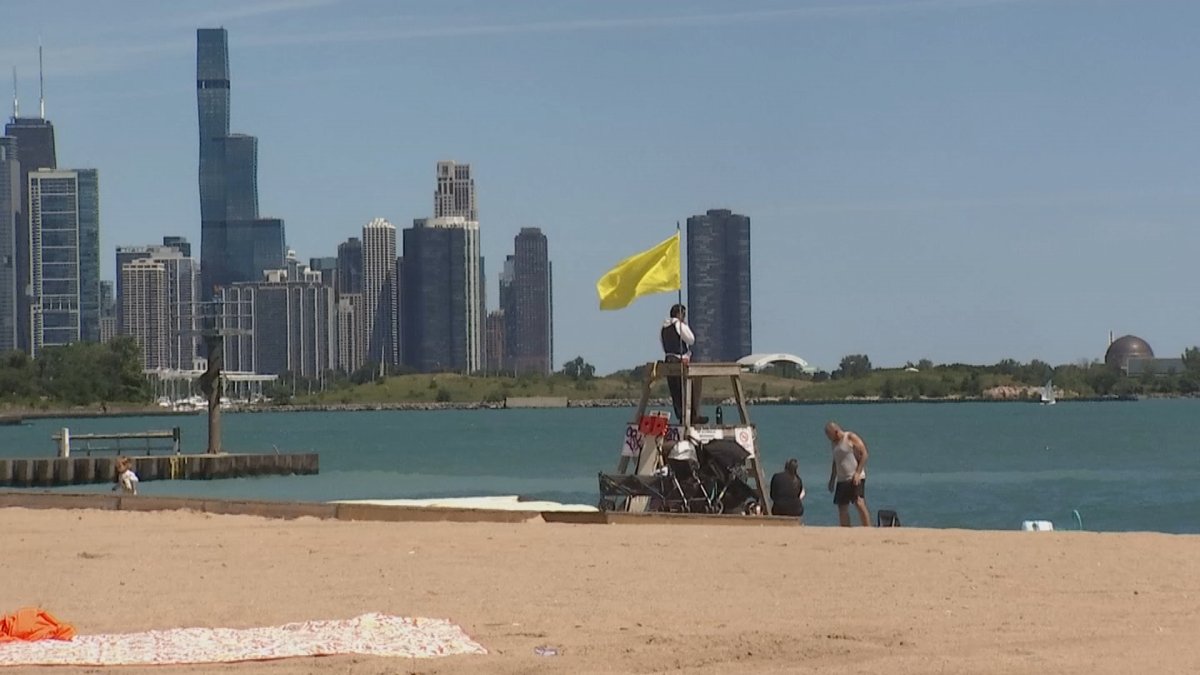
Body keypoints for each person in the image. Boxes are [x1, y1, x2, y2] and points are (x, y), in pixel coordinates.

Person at [660, 304, 706, 424]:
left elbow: (662, 343)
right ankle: (693, 416)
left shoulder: (664, 327)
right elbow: (691, 339)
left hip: (668, 360)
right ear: (679, 314)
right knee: (688, 389)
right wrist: (684, 326)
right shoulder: (678, 325)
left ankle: (681, 415)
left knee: (676, 391)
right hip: (679, 359)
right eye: (684, 314)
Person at [825, 421, 870, 526]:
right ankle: (846, 529)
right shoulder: (834, 444)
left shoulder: (850, 437)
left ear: (836, 432)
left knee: (859, 502)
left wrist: (858, 472)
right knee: (842, 507)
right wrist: (832, 479)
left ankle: (867, 528)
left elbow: (864, 454)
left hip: (855, 476)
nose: (829, 438)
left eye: (829, 435)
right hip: (842, 479)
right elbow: (835, 461)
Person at [769, 458, 805, 522]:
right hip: (796, 510)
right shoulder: (798, 480)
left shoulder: (776, 476)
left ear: (785, 466)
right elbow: (798, 496)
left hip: (779, 510)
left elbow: (772, 495)